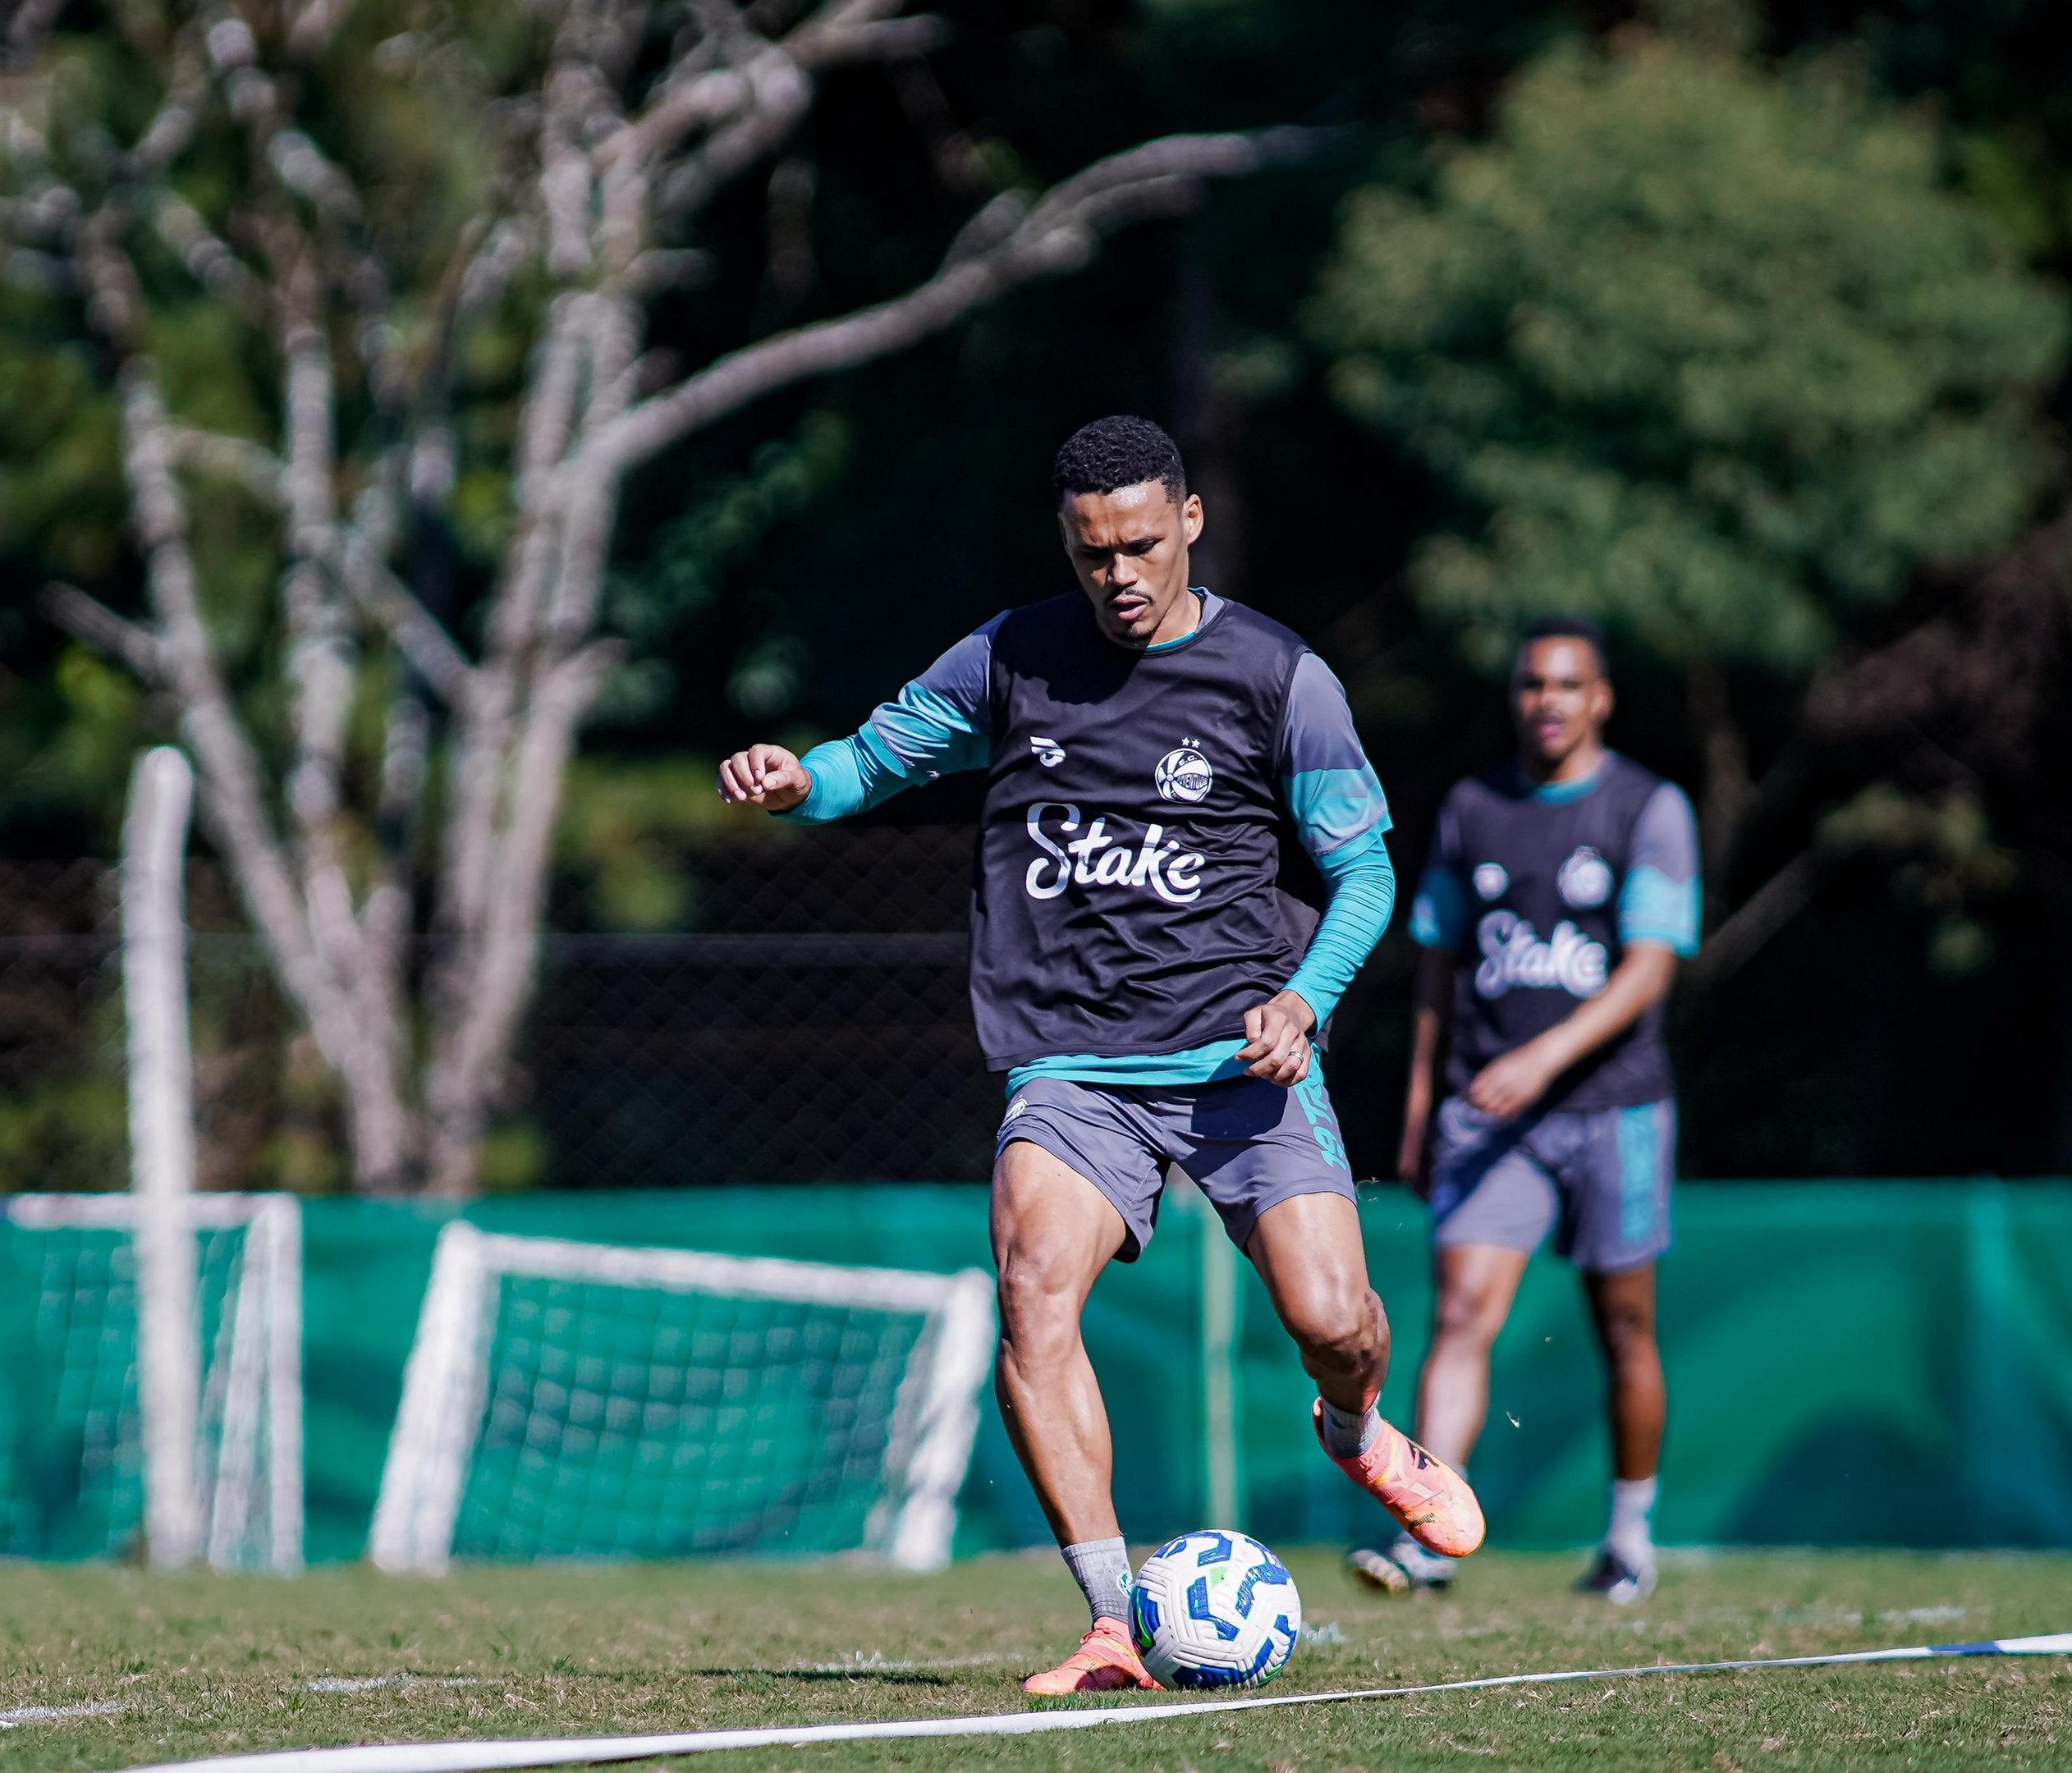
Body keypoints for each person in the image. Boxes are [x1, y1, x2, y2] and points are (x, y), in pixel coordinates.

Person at [719, 415, 1483, 1693]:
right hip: (1072, 1066)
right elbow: (868, 763)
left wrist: (1301, 1002)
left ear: (1188, 520)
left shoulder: (1277, 677)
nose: (1117, 575)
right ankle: (1107, 1620)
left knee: (1333, 1321)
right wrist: (797, 781)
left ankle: (1356, 1431)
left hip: (1242, 1061)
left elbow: (1363, 874)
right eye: (1091, 554)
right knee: (1031, 1290)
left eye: (1139, 545)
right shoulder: (1010, 657)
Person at [1349, 616, 1698, 1606]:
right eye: (1532, 684)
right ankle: (1428, 1535)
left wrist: (1540, 1060)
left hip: (1615, 1110)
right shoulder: (1473, 809)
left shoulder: (1648, 807)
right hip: (1486, 1115)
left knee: (1624, 1328)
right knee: (1461, 1315)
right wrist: (1421, 1102)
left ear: (1602, 699)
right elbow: (1437, 965)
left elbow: (1649, 970)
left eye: (1568, 684)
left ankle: (1628, 1538)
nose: (1548, 701)